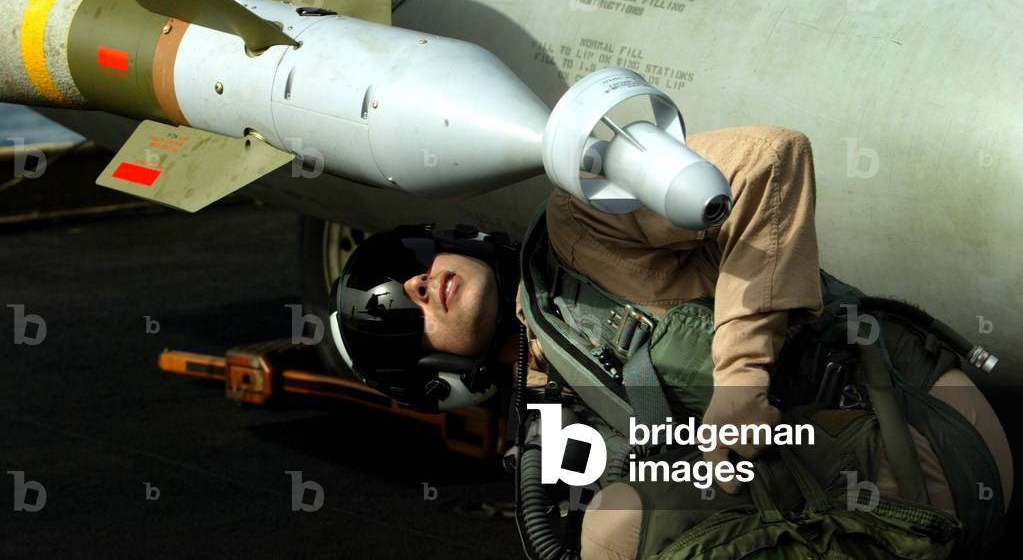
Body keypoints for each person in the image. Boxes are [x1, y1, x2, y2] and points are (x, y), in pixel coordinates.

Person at [332, 126, 1012, 559]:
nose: (417, 284)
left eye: (410, 263)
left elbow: (770, 158)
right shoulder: (556, 411)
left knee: (616, 529)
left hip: (920, 436)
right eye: (398, 314)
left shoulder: (580, 228)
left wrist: (740, 379)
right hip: (864, 492)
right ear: (436, 371)